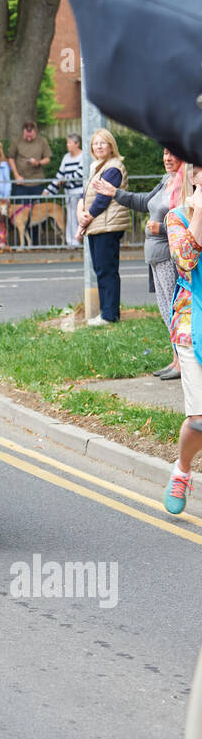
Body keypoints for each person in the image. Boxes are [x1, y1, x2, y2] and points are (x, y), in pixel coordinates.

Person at [90, 147, 184, 375]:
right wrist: (115, 193)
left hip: (169, 256)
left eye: (173, 153)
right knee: (165, 311)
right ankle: (175, 360)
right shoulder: (166, 181)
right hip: (154, 256)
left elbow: (186, 221)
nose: (167, 158)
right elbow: (144, 202)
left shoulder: (186, 186)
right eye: (164, 153)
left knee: (177, 311)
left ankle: (183, 363)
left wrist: (160, 228)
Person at [163, 163, 202, 514]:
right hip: (192, 325)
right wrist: (200, 214)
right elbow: (187, 261)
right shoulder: (176, 217)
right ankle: (183, 469)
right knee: (201, 418)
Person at [76, 128, 130, 325]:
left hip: (108, 225)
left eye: (103, 143)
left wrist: (86, 217)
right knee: (102, 269)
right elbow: (86, 195)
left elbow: (102, 199)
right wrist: (81, 217)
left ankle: (109, 315)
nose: (98, 146)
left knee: (106, 270)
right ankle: (107, 312)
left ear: (111, 146)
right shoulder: (99, 166)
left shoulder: (113, 168)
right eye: (95, 143)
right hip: (98, 225)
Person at [44, 133, 84, 245]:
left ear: (77, 144)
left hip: (80, 193)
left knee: (79, 217)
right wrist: (48, 191)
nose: (67, 145)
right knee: (71, 217)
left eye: (70, 143)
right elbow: (59, 175)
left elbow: (79, 174)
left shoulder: (83, 156)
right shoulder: (66, 157)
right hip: (69, 193)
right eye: (67, 143)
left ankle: (79, 241)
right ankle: (72, 242)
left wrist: (65, 180)